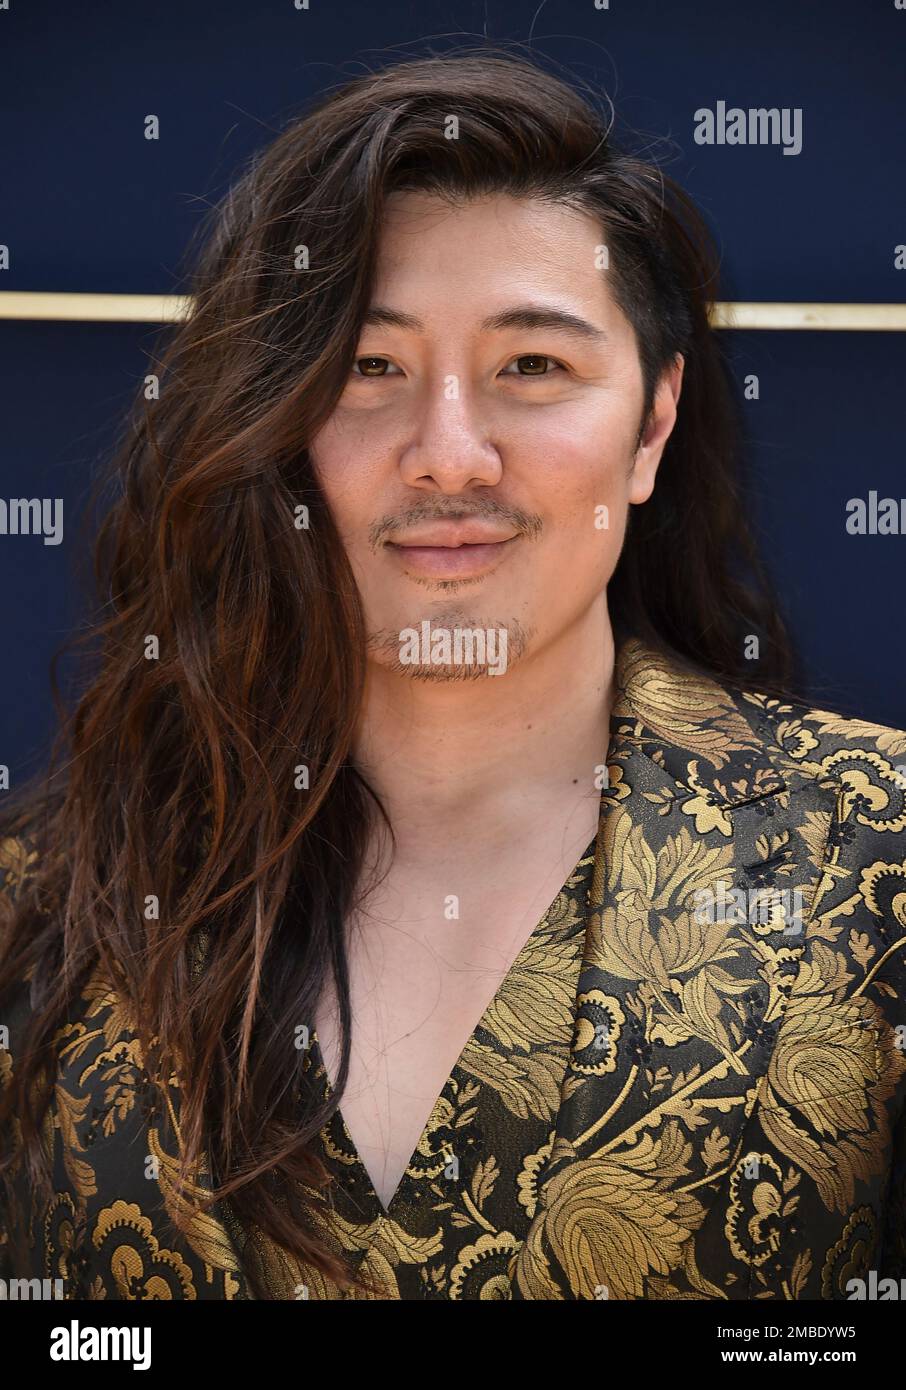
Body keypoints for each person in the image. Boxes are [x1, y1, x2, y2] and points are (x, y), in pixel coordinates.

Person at [1, 47, 905, 1302]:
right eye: (369, 368)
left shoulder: (878, 856)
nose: (448, 455)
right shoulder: (53, 894)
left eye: (532, 367)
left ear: (651, 425)